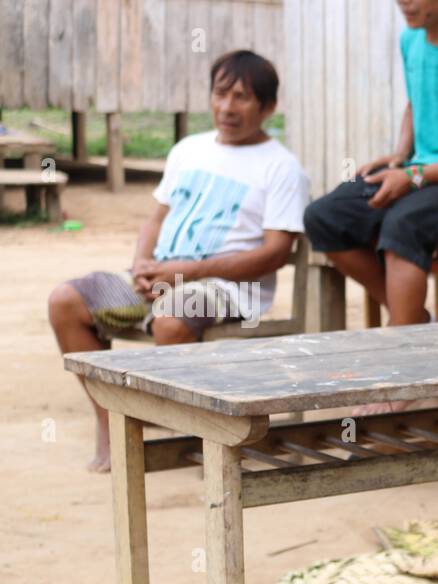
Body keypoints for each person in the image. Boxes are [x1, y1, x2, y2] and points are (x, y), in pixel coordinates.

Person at [48, 49, 310, 472]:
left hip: (228, 288)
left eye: (241, 97)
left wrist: (185, 273)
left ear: (268, 107)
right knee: (67, 300)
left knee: (173, 315)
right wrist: (142, 265)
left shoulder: (282, 168)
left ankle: (191, 434)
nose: (227, 107)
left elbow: (275, 253)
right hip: (160, 277)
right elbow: (155, 218)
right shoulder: (189, 149)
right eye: (220, 93)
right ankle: (112, 427)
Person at [302, 0, 438, 413]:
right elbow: (416, 102)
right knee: (326, 216)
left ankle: (401, 370)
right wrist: (400, 157)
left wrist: (416, 176)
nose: (404, 2)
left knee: (405, 222)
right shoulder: (413, 37)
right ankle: (412, 324)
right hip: (423, 172)